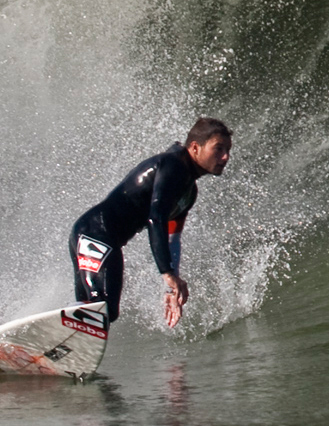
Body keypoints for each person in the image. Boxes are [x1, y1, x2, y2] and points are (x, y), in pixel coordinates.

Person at [68, 117, 232, 329]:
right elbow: (156, 217)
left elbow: (173, 239)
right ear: (194, 147)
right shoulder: (174, 165)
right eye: (218, 149)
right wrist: (166, 272)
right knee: (99, 309)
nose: (225, 157)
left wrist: (172, 287)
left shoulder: (188, 192)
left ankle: (47, 351)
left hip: (101, 239)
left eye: (228, 150)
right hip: (94, 234)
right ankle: (47, 342)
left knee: (102, 311)